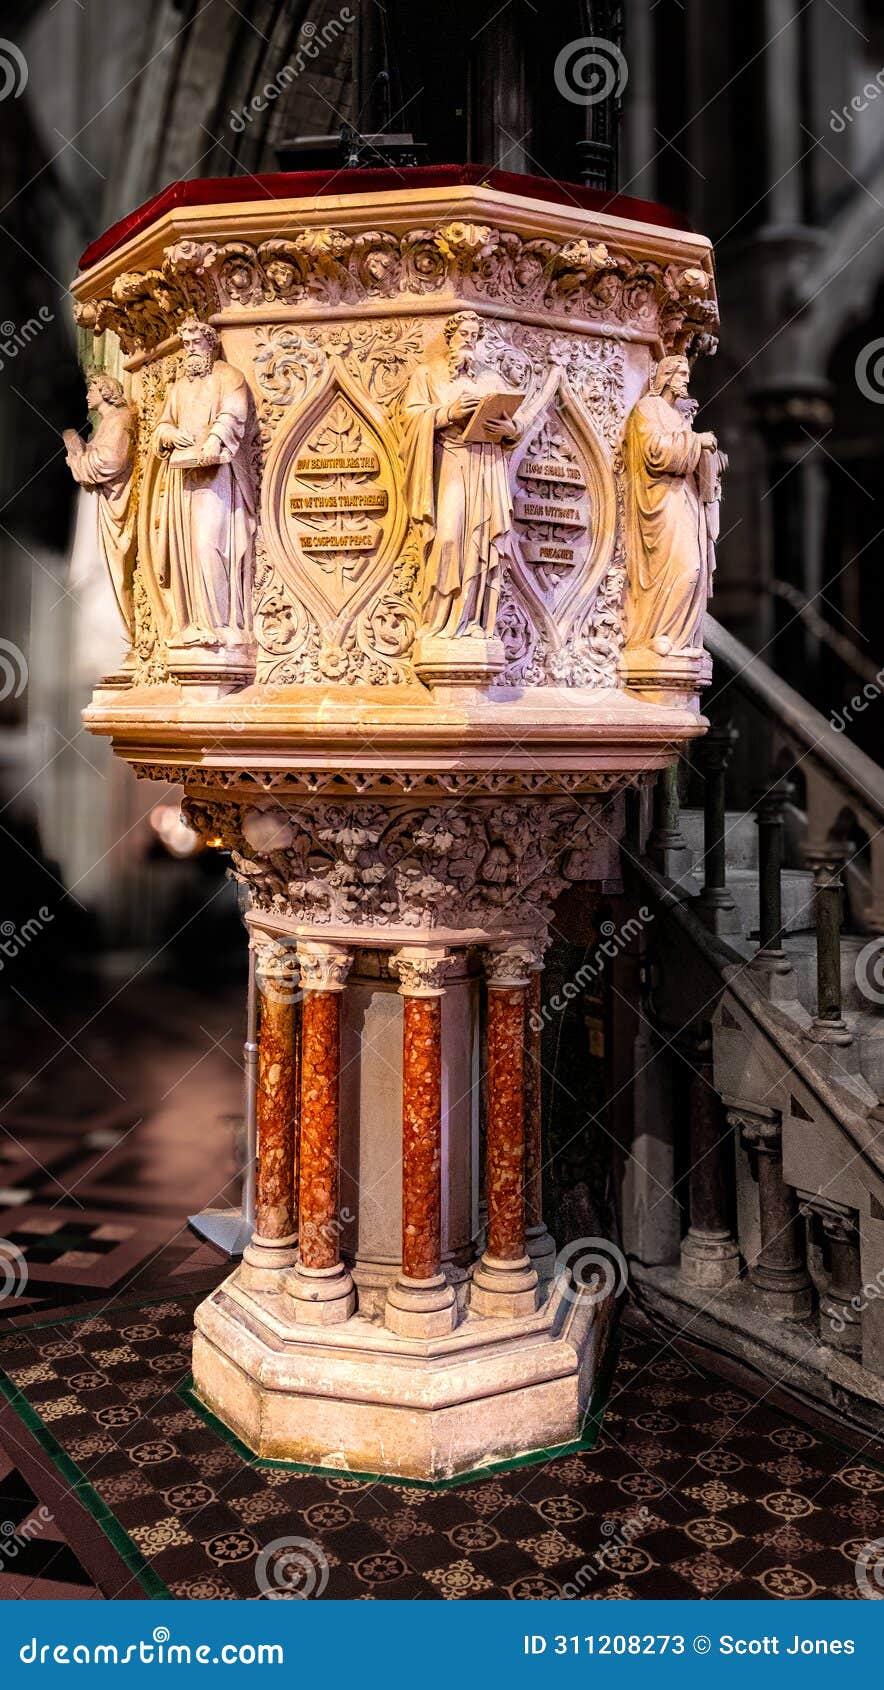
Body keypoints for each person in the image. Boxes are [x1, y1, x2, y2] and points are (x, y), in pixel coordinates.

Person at [400, 310, 521, 642]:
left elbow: (514, 421)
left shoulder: (491, 380)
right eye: (463, 334)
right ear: (450, 337)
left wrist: (511, 429)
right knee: (449, 538)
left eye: (473, 335)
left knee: (482, 544)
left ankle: (474, 623)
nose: (468, 340)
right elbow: (410, 419)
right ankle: (440, 622)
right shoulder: (428, 375)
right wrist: (446, 413)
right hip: (449, 463)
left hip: (486, 466)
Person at [151, 316, 255, 648]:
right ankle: (194, 623)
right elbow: (161, 425)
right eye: (186, 345)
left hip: (218, 475)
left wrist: (215, 440)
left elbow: (233, 412)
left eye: (196, 344)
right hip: (184, 476)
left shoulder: (229, 377)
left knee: (209, 544)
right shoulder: (179, 387)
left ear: (211, 344)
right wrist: (170, 433)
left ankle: (221, 622)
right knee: (188, 550)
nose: (191, 351)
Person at [623, 353, 725, 656]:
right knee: (685, 566)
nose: (687, 379)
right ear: (665, 376)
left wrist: (711, 459)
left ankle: (678, 637)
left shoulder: (678, 417)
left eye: (686, 374)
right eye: (680, 374)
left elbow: (690, 458)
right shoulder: (647, 408)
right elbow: (654, 452)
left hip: (686, 499)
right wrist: (696, 442)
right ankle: (659, 634)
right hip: (662, 500)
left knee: (694, 567)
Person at [63, 371, 135, 632]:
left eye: (91, 389)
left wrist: (78, 456)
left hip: (115, 504)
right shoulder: (107, 422)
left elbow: (110, 462)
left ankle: (121, 634)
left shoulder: (119, 419)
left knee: (112, 570)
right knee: (100, 569)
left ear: (105, 391)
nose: (86, 395)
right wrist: (78, 448)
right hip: (104, 504)